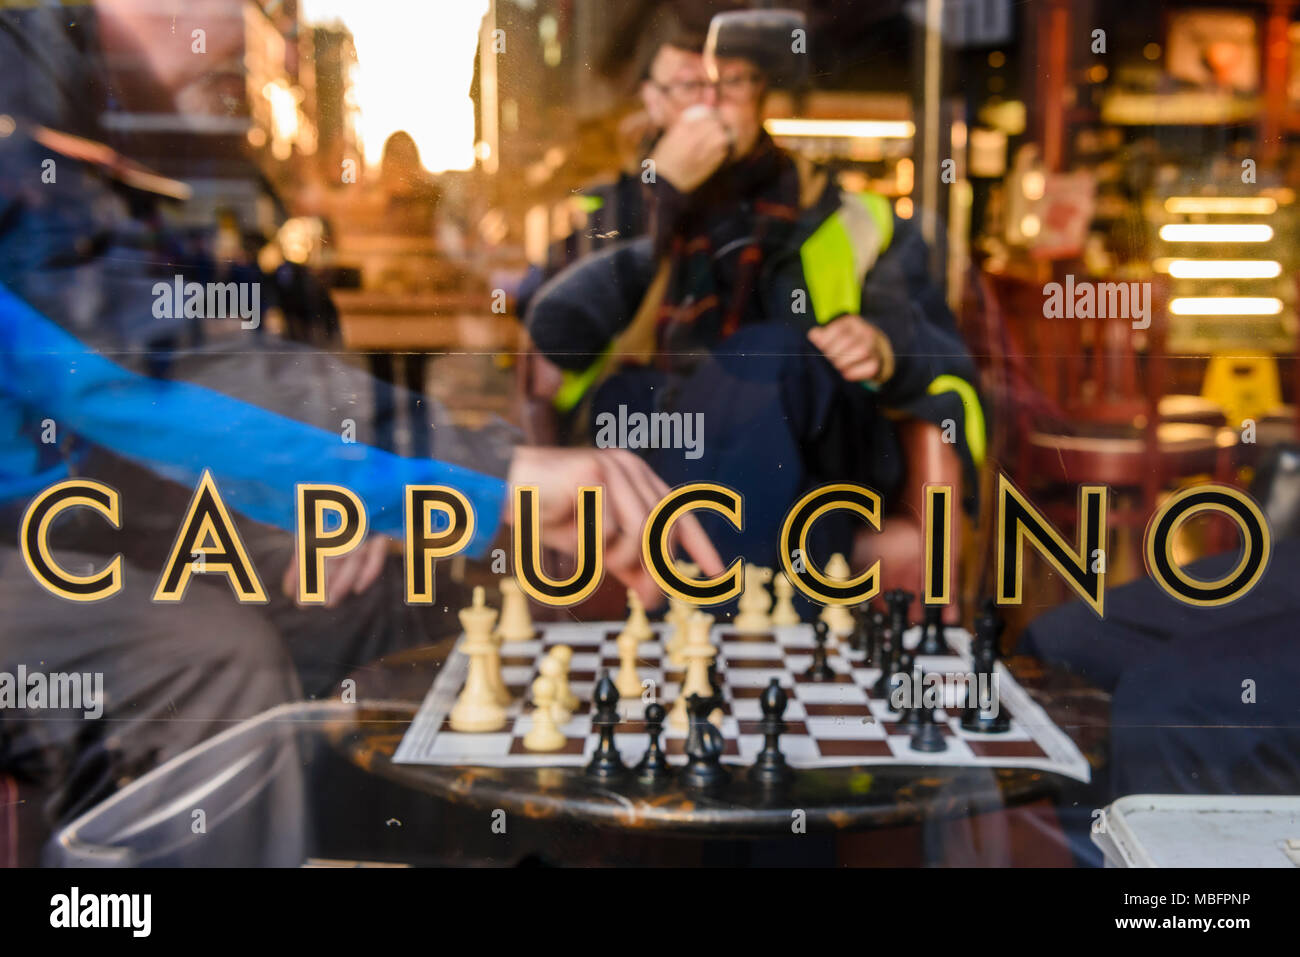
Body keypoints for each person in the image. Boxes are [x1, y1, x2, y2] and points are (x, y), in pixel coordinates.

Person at [0, 4, 722, 839]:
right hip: (36, 535)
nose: (242, 29)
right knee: (210, 657)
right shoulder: (30, 111)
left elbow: (173, 365)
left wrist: (347, 488)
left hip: (76, 515)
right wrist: (459, 474)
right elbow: (124, 363)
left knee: (378, 594)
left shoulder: (117, 125)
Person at [524, 15, 984, 580]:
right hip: (665, 443)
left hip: (821, 438)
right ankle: (756, 610)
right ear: (653, 100)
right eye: (690, 86)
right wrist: (657, 195)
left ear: (761, 93)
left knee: (767, 355)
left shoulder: (855, 217)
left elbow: (943, 364)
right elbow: (552, 347)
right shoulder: (607, 212)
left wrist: (883, 348)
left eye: (733, 81)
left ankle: (704, 624)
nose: (713, 103)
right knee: (628, 396)